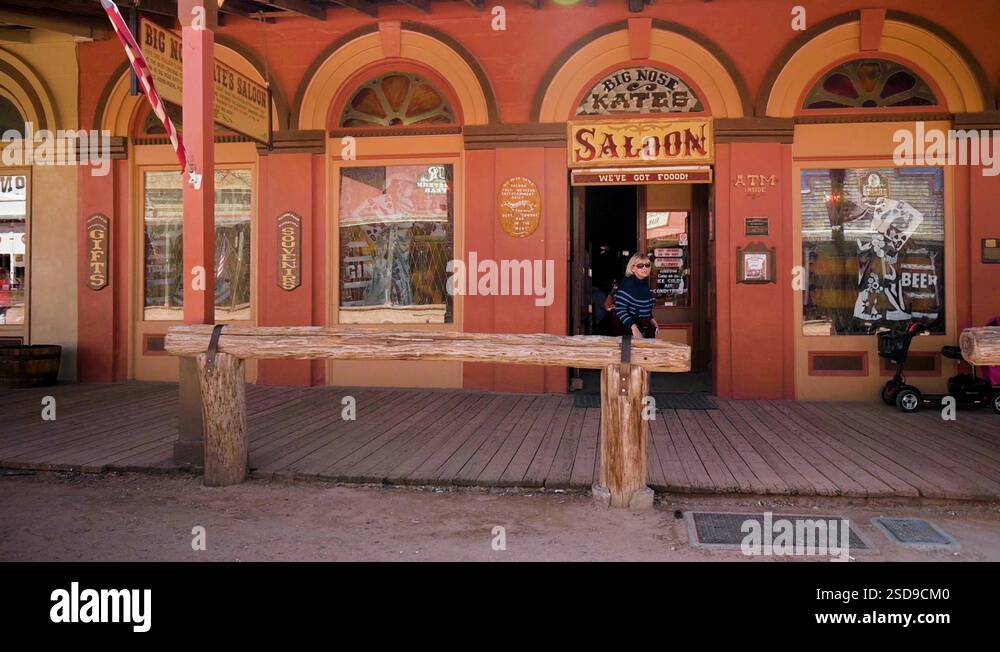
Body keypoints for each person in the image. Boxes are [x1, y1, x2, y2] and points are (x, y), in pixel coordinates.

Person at [613, 253, 658, 338]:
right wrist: (633, 327)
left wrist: (652, 320)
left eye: (647, 265)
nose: (645, 268)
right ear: (633, 268)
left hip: (644, 329)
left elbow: (644, 309)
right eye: (640, 265)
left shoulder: (644, 284)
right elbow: (620, 309)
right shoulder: (628, 284)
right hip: (630, 332)